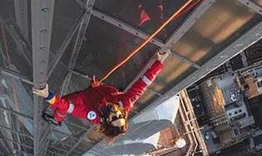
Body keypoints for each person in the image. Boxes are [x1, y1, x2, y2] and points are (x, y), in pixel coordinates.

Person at [34, 49, 170, 138]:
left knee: (60, 106)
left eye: (114, 118)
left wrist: (48, 95)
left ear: (106, 120)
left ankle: (57, 120)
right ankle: (58, 119)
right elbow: (142, 85)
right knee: (61, 104)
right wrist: (159, 63)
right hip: (97, 92)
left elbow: (68, 107)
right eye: (120, 116)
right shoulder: (124, 105)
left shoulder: (93, 116)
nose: (117, 113)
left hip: (81, 99)